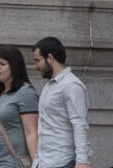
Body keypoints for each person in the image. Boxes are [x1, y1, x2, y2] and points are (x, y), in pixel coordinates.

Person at [31, 38, 90, 168]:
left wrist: (82, 161)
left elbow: (79, 124)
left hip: (63, 162)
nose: (35, 66)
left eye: (38, 60)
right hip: (43, 162)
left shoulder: (72, 85)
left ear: (50, 58)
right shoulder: (49, 86)